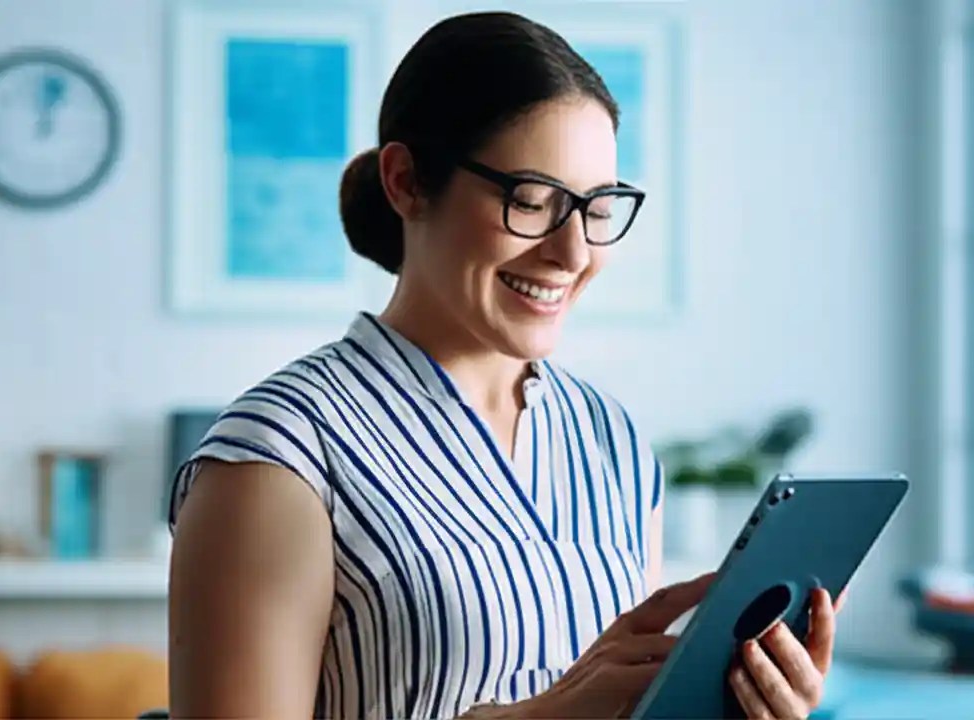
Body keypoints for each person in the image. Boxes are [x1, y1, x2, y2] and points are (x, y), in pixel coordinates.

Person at [167, 10, 840, 719]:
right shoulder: (280, 457)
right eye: (530, 200)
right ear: (406, 182)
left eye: (597, 207)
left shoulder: (610, 441)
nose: (573, 253)